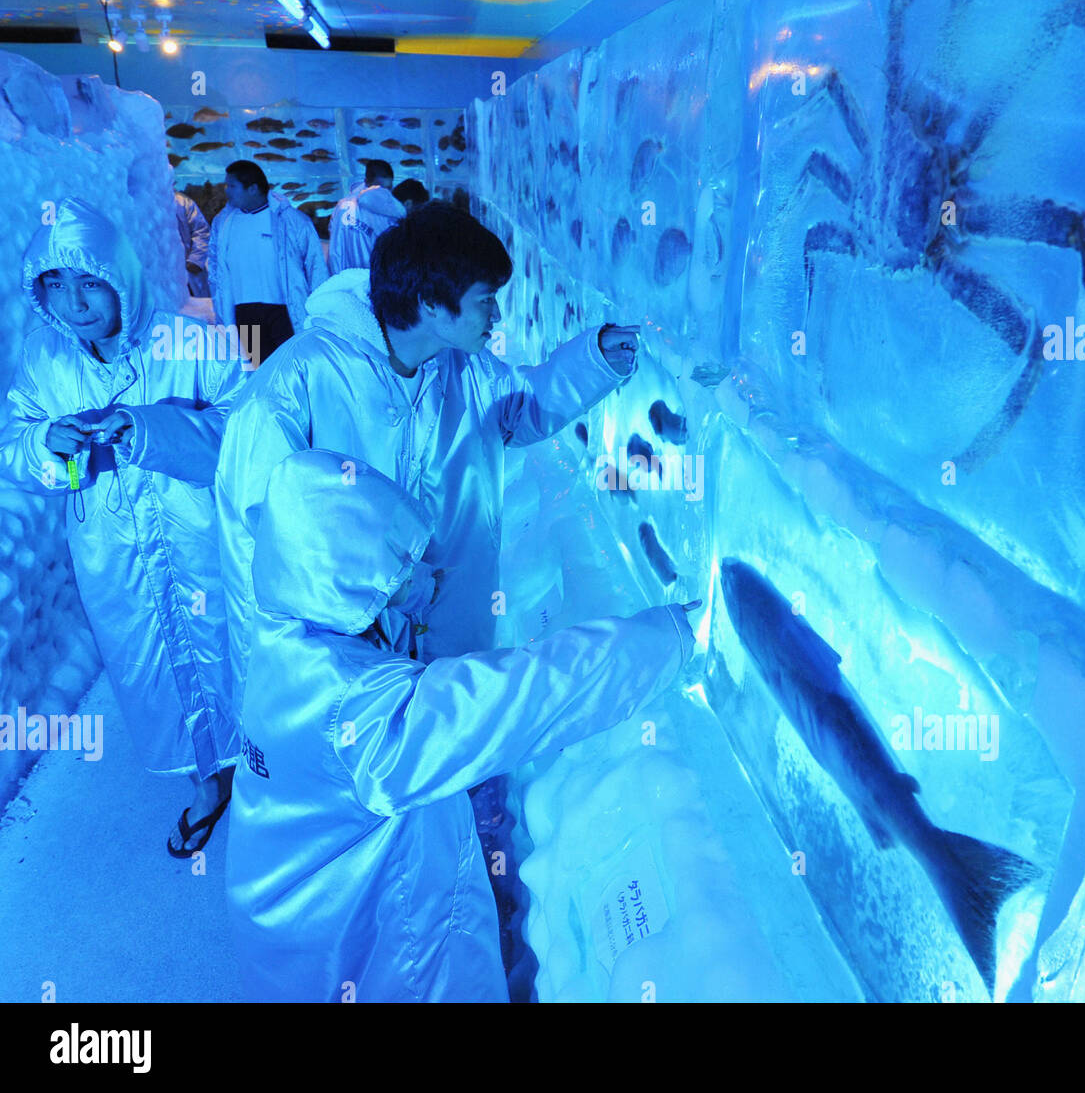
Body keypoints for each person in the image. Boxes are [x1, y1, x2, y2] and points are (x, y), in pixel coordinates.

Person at [226, 449, 700, 1001]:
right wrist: (663, 638)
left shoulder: (283, 634)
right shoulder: (360, 712)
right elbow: (524, 698)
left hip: (285, 919)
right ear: (345, 582)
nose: (421, 577)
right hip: (354, 944)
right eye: (398, 569)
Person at [215, 201, 643, 715]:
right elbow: (260, 527)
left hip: (453, 624)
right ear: (431, 303)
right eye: (486, 300)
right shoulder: (297, 383)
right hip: (348, 646)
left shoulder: (464, 367)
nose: (498, 316)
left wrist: (594, 359)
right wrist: (380, 585)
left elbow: (521, 406)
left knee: (448, 747)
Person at [0, 197, 245, 856]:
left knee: (231, 650)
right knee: (156, 668)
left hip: (202, 541)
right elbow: (12, 440)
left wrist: (151, 429)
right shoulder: (45, 359)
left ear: (120, 275)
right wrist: (46, 446)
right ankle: (207, 780)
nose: (75, 302)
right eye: (55, 284)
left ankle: (260, 768)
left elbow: (248, 437)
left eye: (88, 281)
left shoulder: (193, 342)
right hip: (114, 551)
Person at [208, 159, 327, 361]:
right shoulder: (223, 223)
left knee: (291, 367)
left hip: (285, 310)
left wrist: (321, 311)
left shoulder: (292, 221)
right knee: (259, 372)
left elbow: (316, 267)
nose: (227, 191)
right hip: (244, 312)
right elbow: (215, 269)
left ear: (253, 188)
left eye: (232, 186)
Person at [327, 159, 405, 275]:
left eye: (387, 189)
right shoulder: (391, 214)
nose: (383, 194)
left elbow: (333, 238)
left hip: (340, 279)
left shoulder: (340, 206)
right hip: (371, 282)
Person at [174, 190, 210, 297]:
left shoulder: (183, 203)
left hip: (189, 270)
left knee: (193, 307)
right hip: (162, 275)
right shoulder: (143, 203)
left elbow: (202, 231)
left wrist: (196, 260)